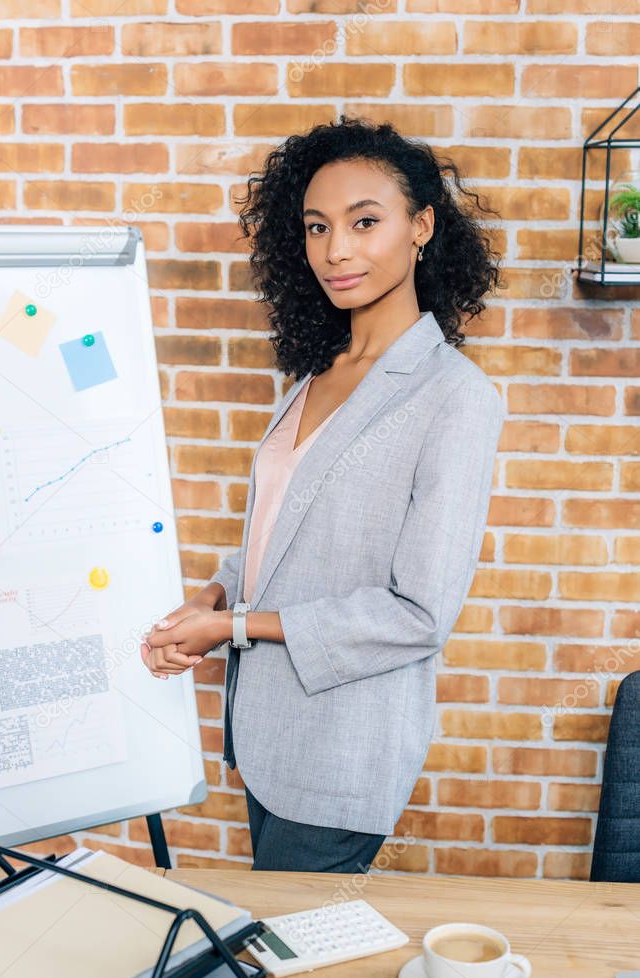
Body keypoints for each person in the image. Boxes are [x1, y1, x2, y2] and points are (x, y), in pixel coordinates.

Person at [142, 115, 506, 873]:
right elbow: (283, 531)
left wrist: (235, 625)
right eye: (315, 227)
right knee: (286, 952)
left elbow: (418, 613)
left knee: (297, 969)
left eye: (363, 221)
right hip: (269, 733)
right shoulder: (314, 374)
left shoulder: (453, 396)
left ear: (421, 226)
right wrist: (215, 594)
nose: (334, 249)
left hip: (342, 745)